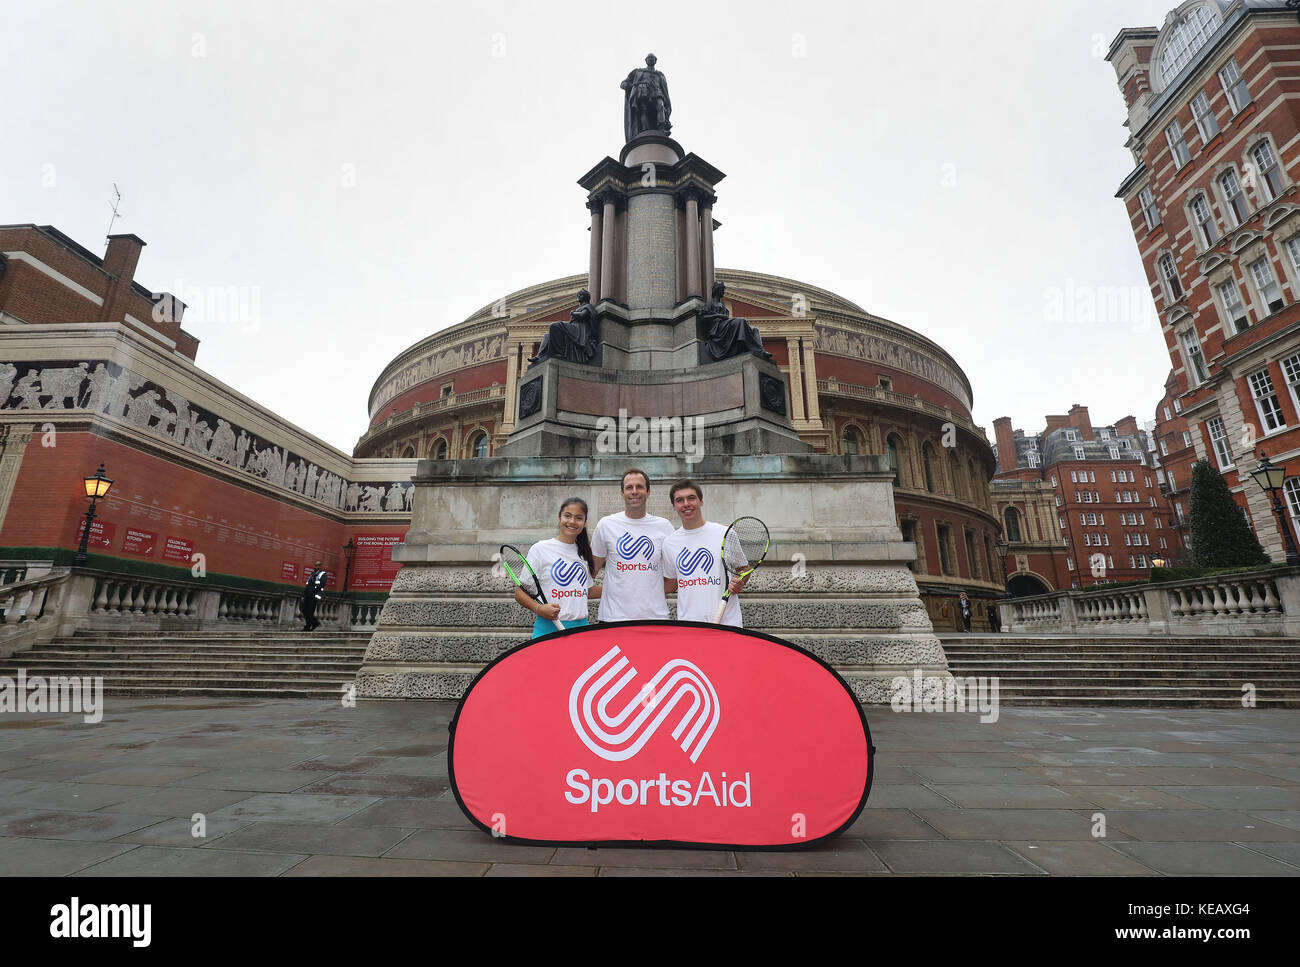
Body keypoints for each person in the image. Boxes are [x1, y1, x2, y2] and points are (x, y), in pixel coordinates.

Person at [591, 469, 675, 622]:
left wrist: (650, 593)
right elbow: (592, 571)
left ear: (648, 492)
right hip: (613, 619)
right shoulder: (606, 525)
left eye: (640, 487)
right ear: (622, 493)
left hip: (654, 617)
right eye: (629, 487)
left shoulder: (664, 527)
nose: (634, 491)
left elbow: (674, 578)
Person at [661, 479, 747, 627]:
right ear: (674, 506)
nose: (686, 503)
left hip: (728, 624)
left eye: (691, 498)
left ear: (701, 501)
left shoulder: (725, 533)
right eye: (680, 500)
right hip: (690, 626)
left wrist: (740, 581)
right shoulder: (669, 543)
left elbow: (744, 569)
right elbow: (671, 584)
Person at [518, 497, 602, 638]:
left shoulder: (584, 553)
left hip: (581, 631)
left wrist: (618, 588)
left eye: (578, 518)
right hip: (547, 630)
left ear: (585, 522)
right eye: (567, 516)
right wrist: (539, 608)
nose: (572, 522)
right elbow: (519, 593)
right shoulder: (540, 549)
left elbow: (584, 590)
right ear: (559, 517)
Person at [302, 561, 327, 631]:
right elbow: (307, 585)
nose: (316, 566)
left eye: (318, 565)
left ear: (320, 566)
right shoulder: (312, 574)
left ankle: (308, 626)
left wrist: (313, 591)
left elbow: (322, 584)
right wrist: (303, 595)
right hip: (307, 595)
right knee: (304, 610)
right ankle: (315, 623)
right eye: (315, 565)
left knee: (310, 612)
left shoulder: (323, 574)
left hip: (314, 595)